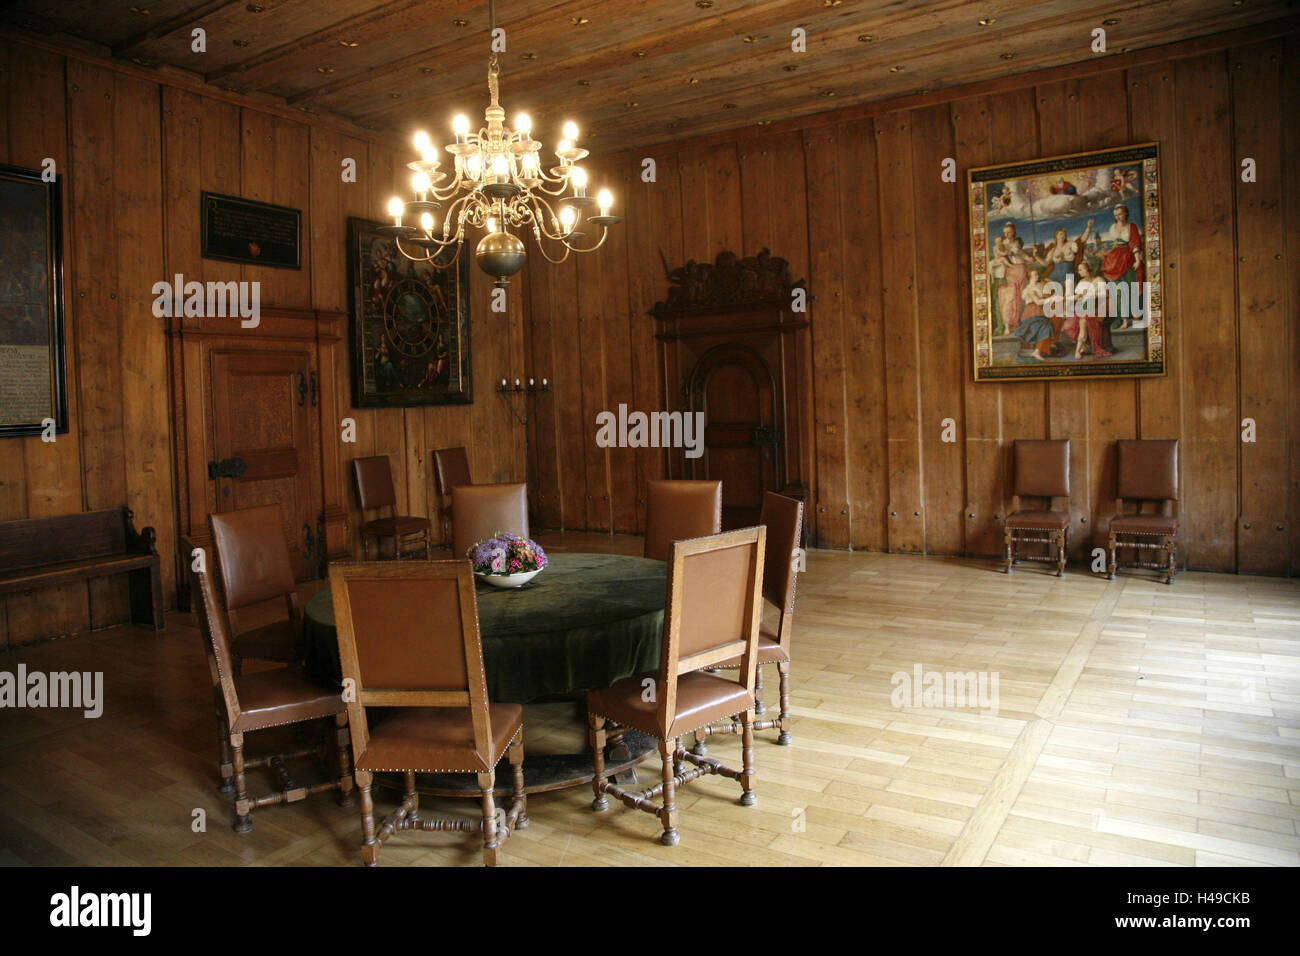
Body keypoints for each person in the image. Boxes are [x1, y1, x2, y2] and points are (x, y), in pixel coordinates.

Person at [1099, 203, 1143, 330]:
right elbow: (1113, 244)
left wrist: (1137, 260)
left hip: (1128, 258)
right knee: (1118, 291)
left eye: (1120, 214)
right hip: (1114, 260)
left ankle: (1136, 316)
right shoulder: (1112, 227)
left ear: (1125, 214)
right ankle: (1124, 319)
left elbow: (1135, 243)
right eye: (1116, 215)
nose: (1118, 217)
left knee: (1131, 288)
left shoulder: (1131, 226)